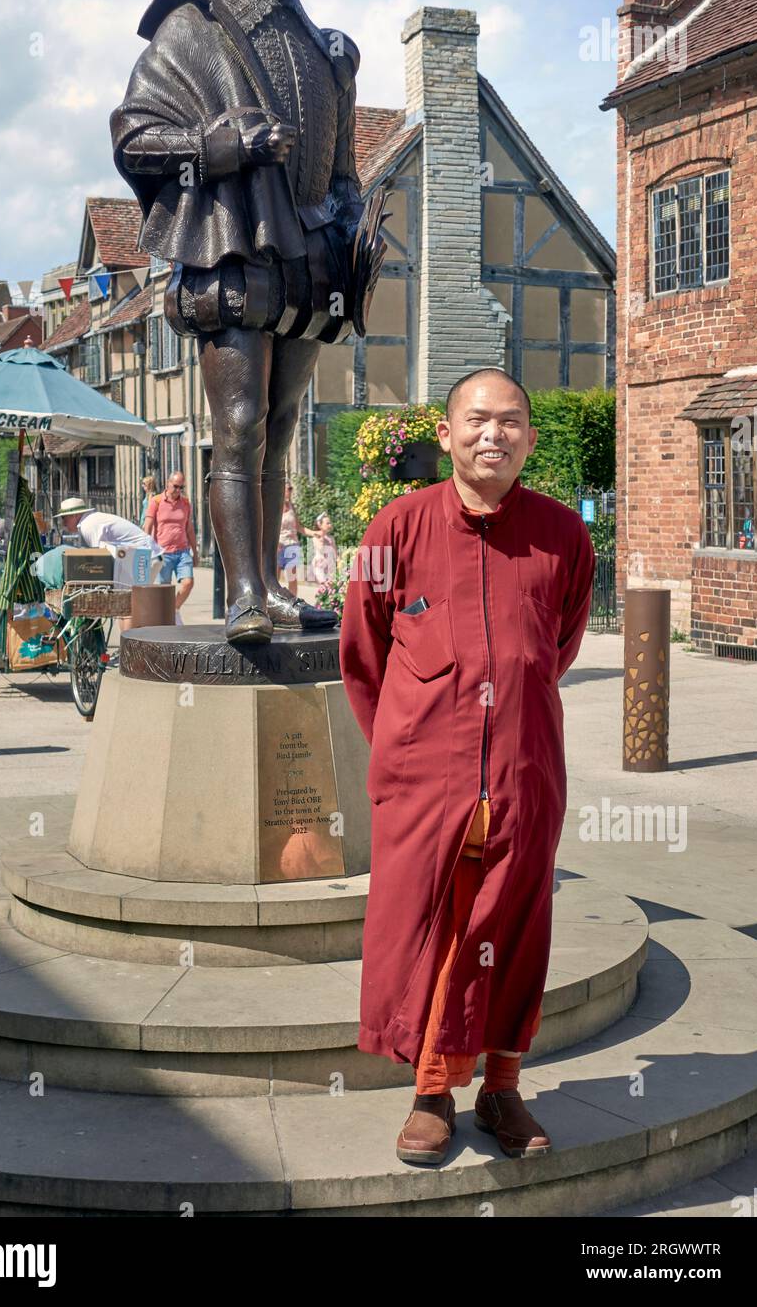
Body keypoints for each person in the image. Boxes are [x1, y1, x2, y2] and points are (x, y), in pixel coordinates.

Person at [339, 368, 596, 1166]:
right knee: (432, 932)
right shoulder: (396, 530)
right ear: (444, 434)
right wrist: (408, 748)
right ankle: (431, 1091)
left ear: (530, 436)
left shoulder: (563, 535)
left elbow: (556, 649)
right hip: (426, 778)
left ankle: (502, 1087)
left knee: (512, 931)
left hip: (524, 772)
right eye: (478, 420)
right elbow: (362, 656)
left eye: (512, 420)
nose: (496, 433)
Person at [109, 0, 381, 643]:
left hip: (309, 256)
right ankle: (243, 597)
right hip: (233, 244)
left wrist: (355, 226)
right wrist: (216, 146)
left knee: (282, 430)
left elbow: (344, 169)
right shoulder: (194, 28)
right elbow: (133, 137)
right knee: (238, 426)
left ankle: (272, 587)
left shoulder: (328, 52)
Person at [54, 497, 161, 633]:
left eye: (64, 518)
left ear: (75, 515)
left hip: (143, 556)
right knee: (123, 606)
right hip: (139, 556)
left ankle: (129, 649)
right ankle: (126, 648)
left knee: (128, 605)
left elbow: (98, 559)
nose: (63, 523)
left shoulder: (88, 525)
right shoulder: (90, 521)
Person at [143, 472, 198, 620]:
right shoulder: (156, 501)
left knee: (188, 583)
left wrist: (195, 552)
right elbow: (147, 526)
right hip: (163, 552)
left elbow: (189, 528)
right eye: (175, 486)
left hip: (182, 551)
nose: (178, 490)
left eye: (181, 487)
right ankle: (164, 616)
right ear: (168, 483)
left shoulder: (185, 503)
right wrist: (147, 550)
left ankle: (173, 609)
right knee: (164, 590)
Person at [277, 482, 318, 599]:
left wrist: (314, 533)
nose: (289, 491)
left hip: (292, 544)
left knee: (292, 578)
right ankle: (273, 604)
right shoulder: (275, 506)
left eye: (290, 489)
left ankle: (292, 602)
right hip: (278, 546)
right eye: (287, 489)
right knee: (274, 579)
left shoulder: (291, 506)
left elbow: (298, 527)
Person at [309, 510, 337, 588]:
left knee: (331, 586)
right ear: (320, 525)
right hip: (320, 564)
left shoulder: (331, 538)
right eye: (327, 523)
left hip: (330, 564)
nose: (330, 525)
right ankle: (321, 598)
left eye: (330, 523)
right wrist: (322, 536)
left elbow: (335, 552)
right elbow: (321, 549)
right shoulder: (316, 537)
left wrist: (338, 560)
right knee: (323, 585)